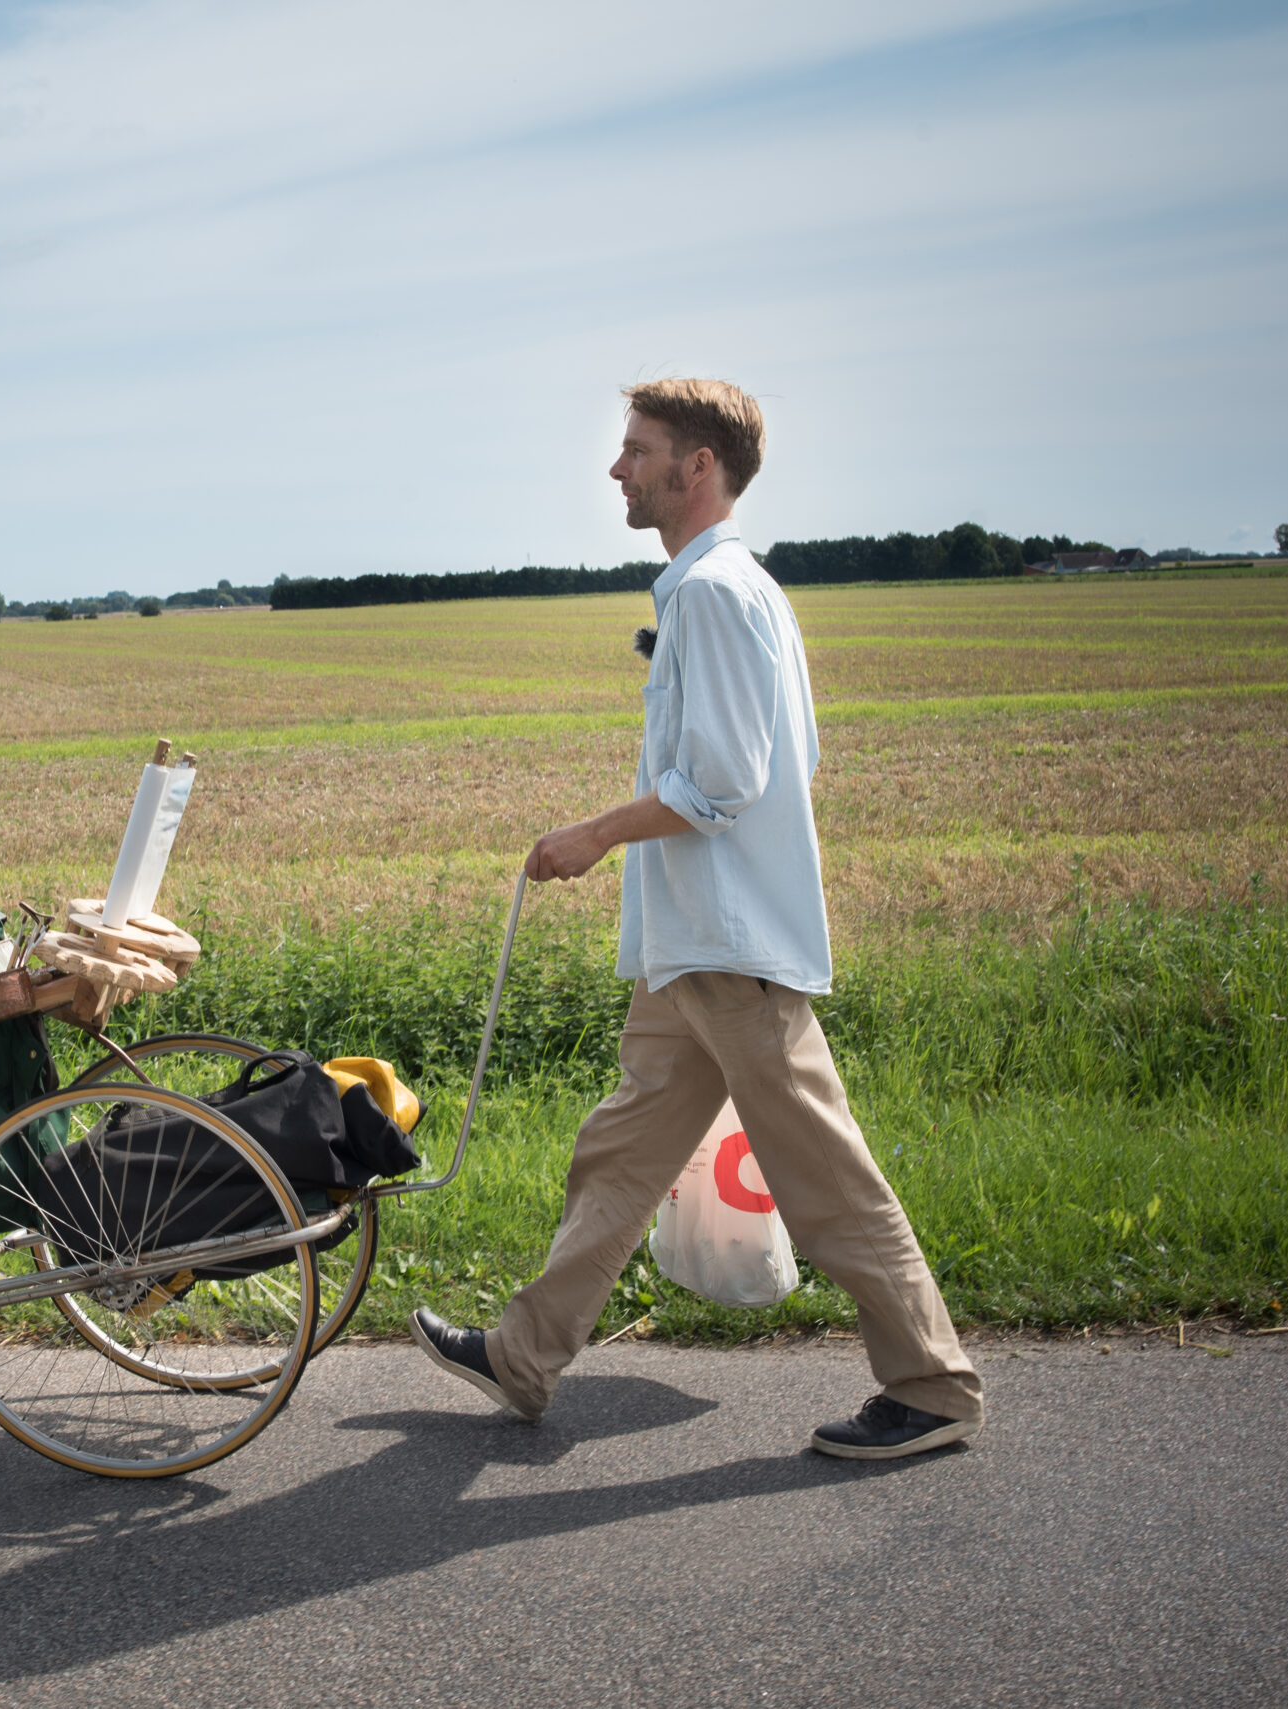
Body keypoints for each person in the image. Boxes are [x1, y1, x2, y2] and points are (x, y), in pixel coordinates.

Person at [409, 378, 984, 1460]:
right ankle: (524, 1352)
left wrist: (593, 833)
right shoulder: (725, 589)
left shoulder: (714, 593)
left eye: (636, 450)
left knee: (824, 1179)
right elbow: (787, 760)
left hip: (729, 946)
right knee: (620, 1155)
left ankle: (932, 1385)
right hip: (692, 949)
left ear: (697, 466)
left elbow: (722, 777)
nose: (616, 468)